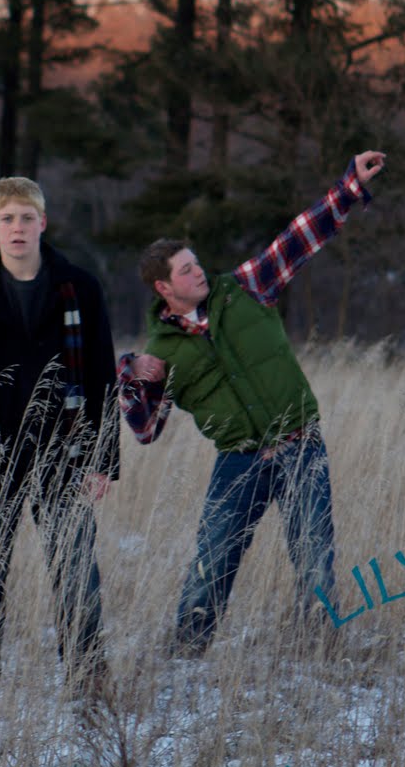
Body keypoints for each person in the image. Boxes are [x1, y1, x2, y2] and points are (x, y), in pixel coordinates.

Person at [117, 151, 385, 657]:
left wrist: (350, 186)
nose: (199, 273)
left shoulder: (244, 289)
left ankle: (318, 652)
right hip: (238, 460)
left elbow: (300, 238)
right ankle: (187, 657)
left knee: (314, 558)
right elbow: (146, 429)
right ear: (163, 287)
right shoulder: (162, 353)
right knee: (212, 562)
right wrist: (131, 383)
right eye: (187, 270)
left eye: (196, 263)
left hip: (299, 443)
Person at [0, 176, 118, 701]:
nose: (18, 228)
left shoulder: (78, 287)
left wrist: (102, 458)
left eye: (27, 218)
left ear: (44, 223)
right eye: (8, 219)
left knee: (77, 570)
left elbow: (103, 374)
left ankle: (87, 680)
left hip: (64, 450)